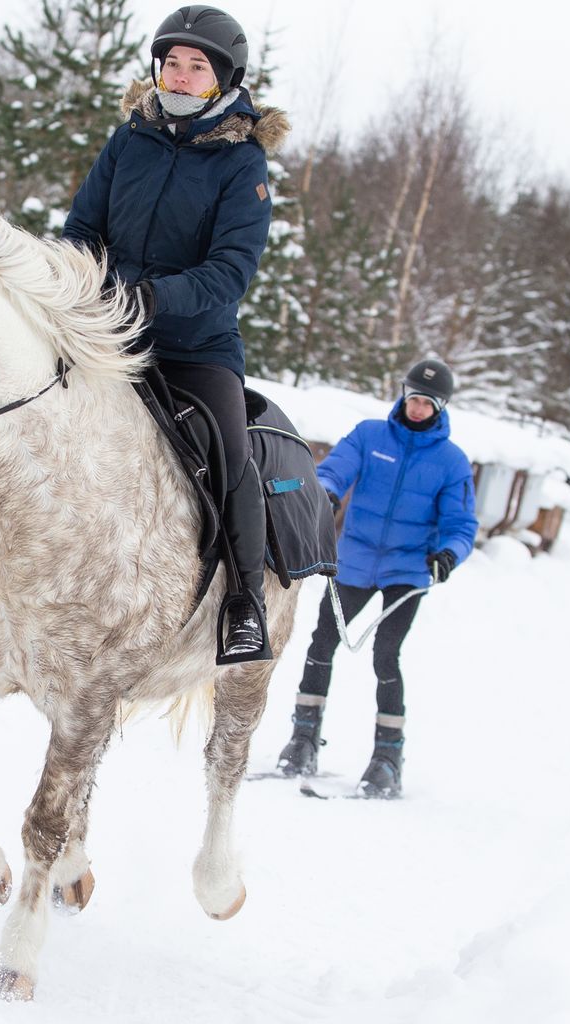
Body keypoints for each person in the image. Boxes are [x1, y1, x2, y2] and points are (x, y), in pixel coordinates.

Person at [62, 5, 290, 663]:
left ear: (222, 79)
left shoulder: (242, 165)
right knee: (15, 384)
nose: (180, 75)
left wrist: (154, 295)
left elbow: (230, 273)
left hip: (196, 345)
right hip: (110, 326)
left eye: (197, 67)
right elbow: (83, 226)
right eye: (171, 63)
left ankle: (244, 601)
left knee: (230, 452)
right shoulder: (129, 139)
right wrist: (74, 276)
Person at [276, 358, 479, 797]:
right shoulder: (370, 435)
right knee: (322, 641)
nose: (419, 408)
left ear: (440, 407)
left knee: (386, 654)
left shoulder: (451, 462)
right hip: (354, 561)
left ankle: (388, 757)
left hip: (407, 570)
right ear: (403, 395)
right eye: (414, 398)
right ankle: (303, 739)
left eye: (428, 403)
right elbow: (334, 469)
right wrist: (324, 494)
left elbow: (461, 525)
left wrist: (450, 553)